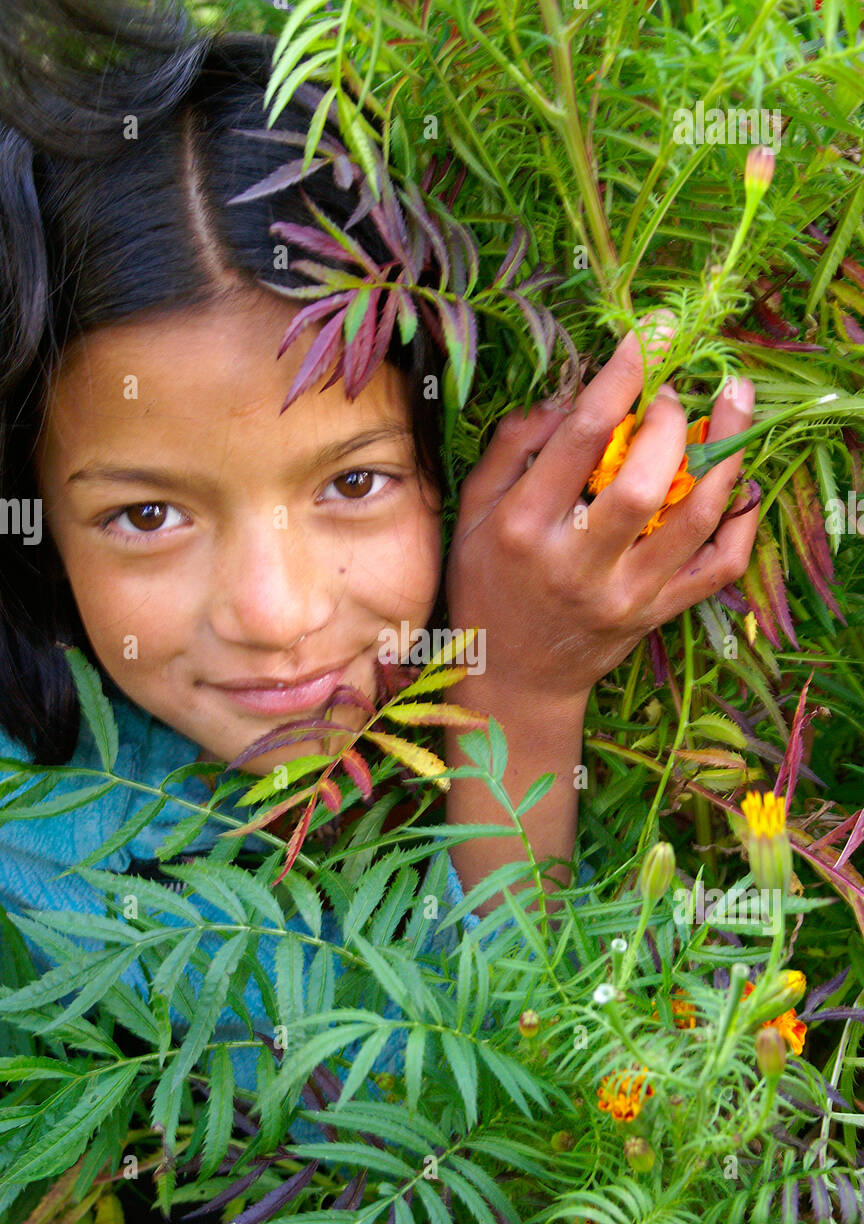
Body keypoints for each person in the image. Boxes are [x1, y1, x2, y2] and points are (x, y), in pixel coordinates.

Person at [0, 1, 760, 1082]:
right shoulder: (48, 821)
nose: (276, 613)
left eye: (355, 481)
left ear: (452, 448)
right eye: (148, 515)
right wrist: (525, 700)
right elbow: (444, 1120)